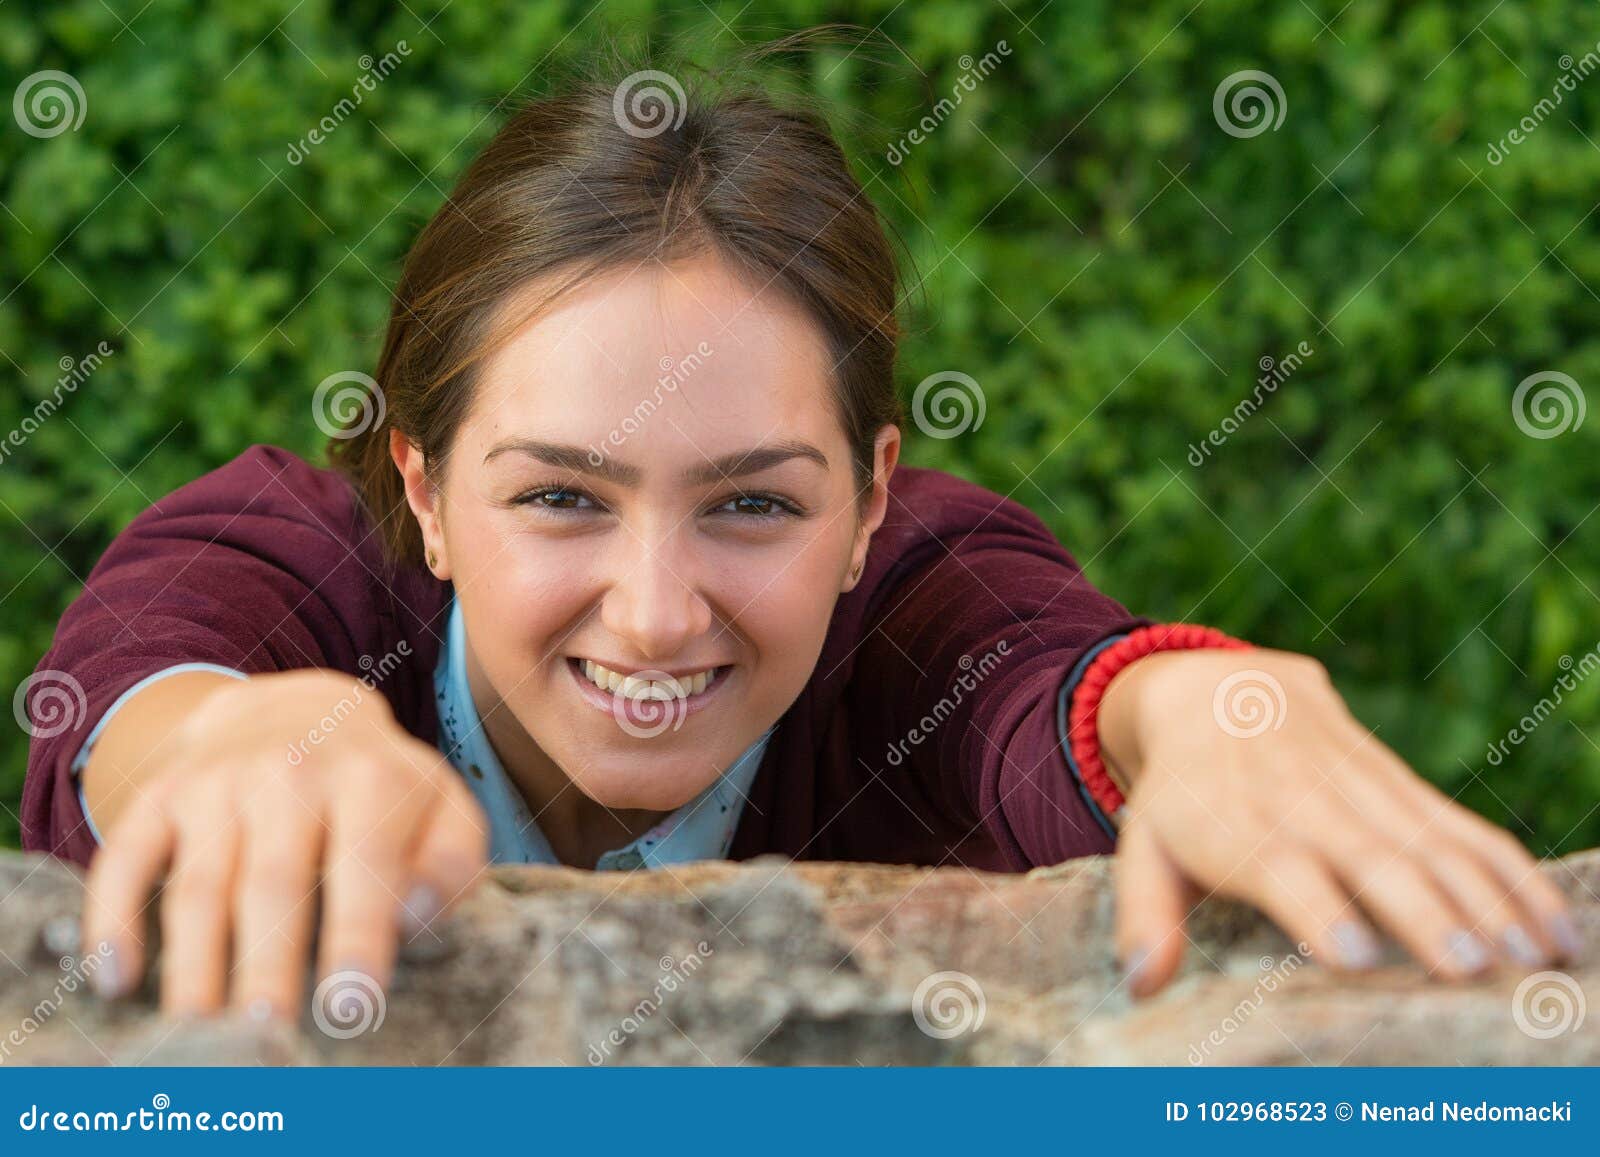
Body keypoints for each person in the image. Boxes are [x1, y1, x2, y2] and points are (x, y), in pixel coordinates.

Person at [20, 70, 1577, 1026]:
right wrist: (241, 738)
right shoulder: (293, 548)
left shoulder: (916, 592)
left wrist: (1210, 712)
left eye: (755, 502)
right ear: (422, 485)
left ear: (872, 497)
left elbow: (1039, 683)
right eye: (559, 495)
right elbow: (138, 686)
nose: (652, 611)